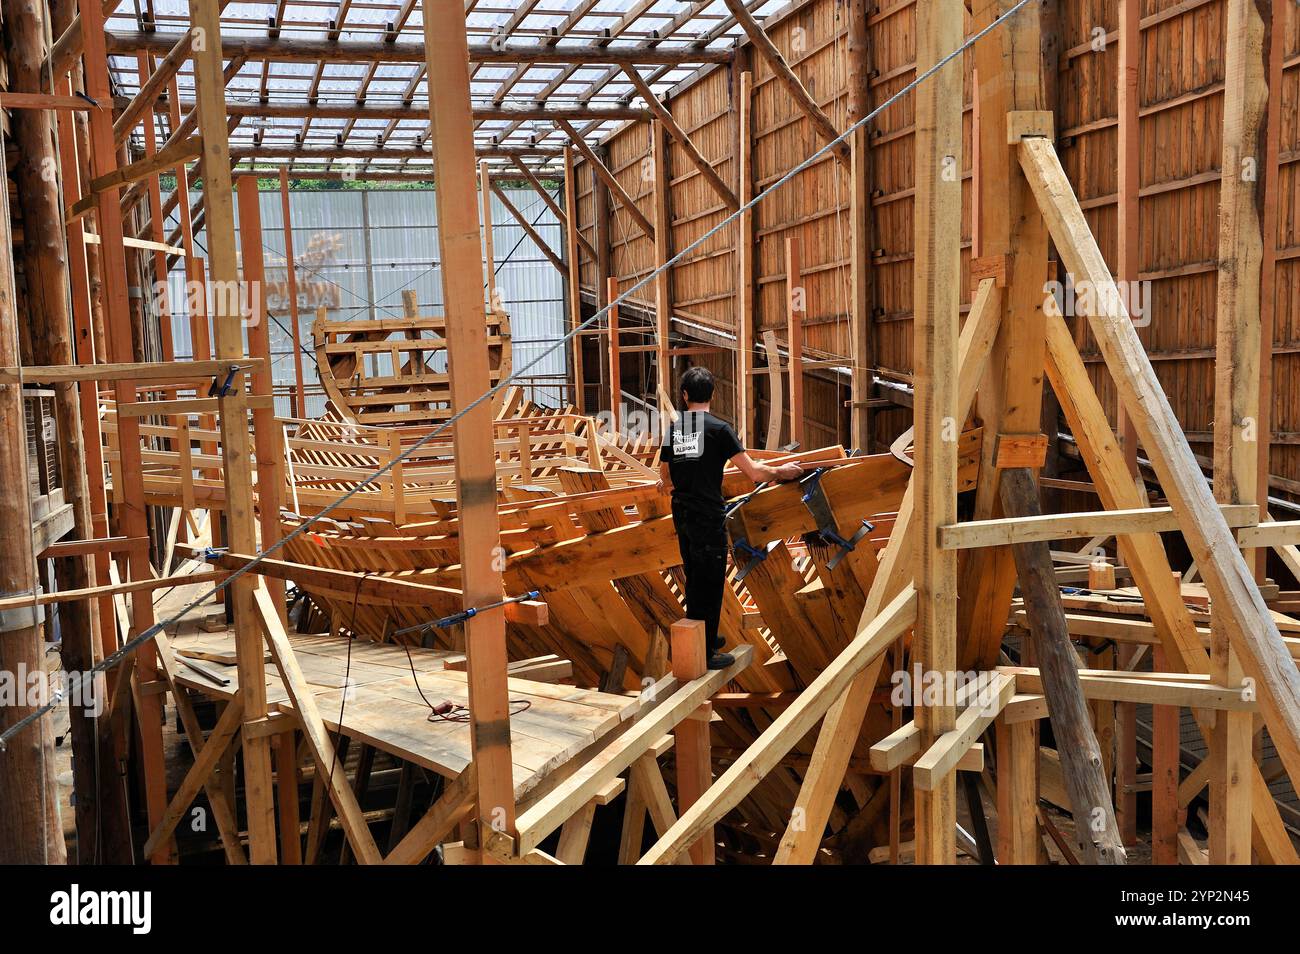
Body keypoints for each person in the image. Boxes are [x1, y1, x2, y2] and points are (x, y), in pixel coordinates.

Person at [657, 366, 804, 669]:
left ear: (684, 396)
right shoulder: (719, 430)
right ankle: (707, 652)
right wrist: (782, 471)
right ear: (712, 394)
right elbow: (753, 472)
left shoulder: (676, 429)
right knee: (710, 580)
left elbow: (664, 476)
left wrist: (678, 480)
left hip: (682, 514)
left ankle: (706, 636)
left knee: (695, 575)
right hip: (708, 516)